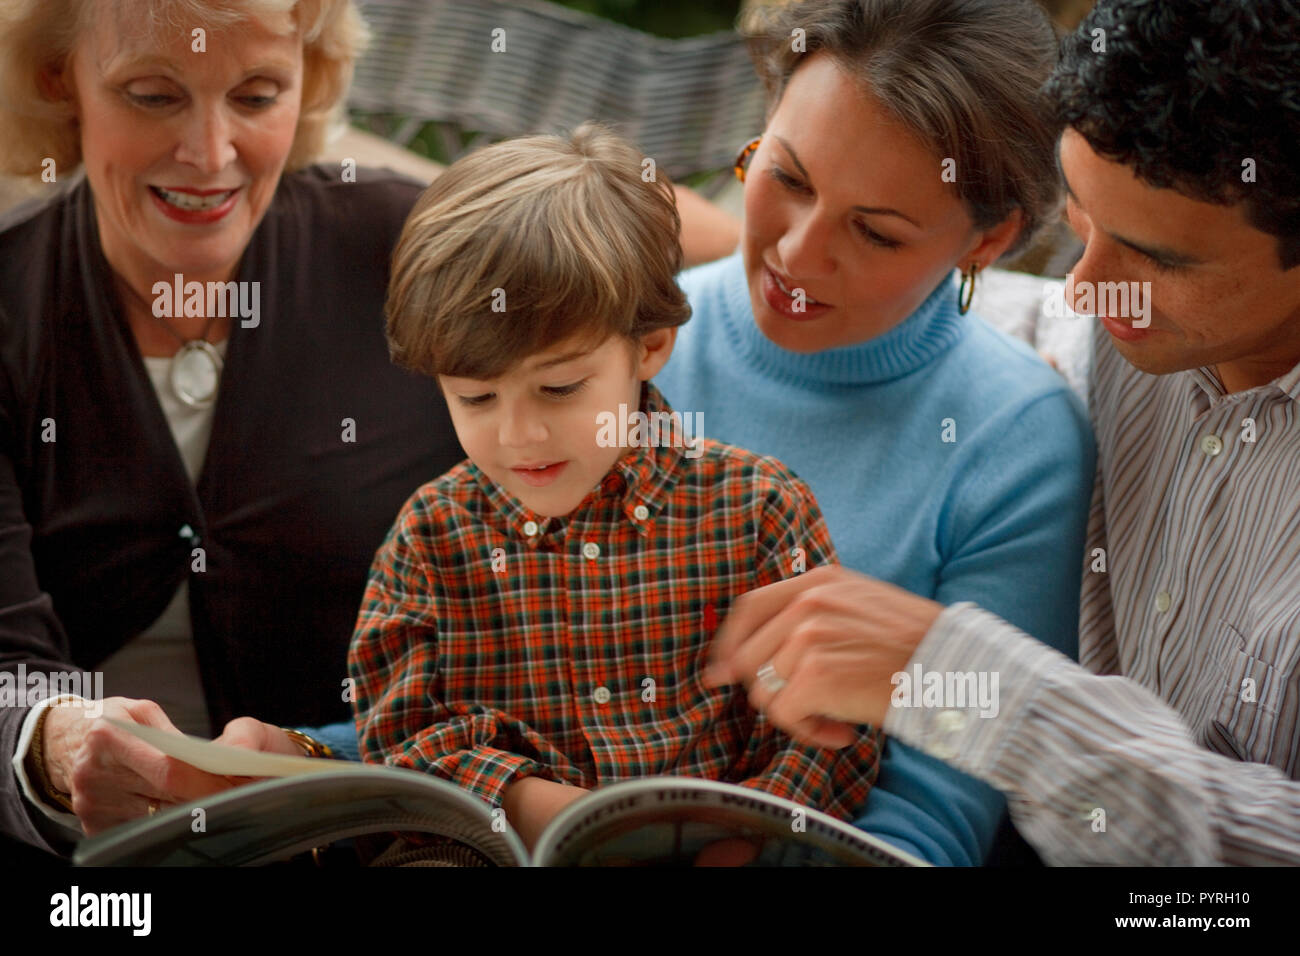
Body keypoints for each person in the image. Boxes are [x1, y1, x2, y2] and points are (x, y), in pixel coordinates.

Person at [0, 0, 738, 862]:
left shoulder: (406, 247)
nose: (209, 153)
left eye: (257, 94)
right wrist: (51, 745)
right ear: (62, 81)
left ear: (307, 85)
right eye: (154, 96)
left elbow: (728, 254)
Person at [705, 0, 1300, 865]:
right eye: (1085, 219)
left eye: (1159, 260)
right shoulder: (1107, 342)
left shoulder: (1032, 430)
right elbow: (968, 317)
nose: (1089, 291)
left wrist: (974, 686)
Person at [349, 124, 881, 863]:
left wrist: (741, 846)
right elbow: (396, 734)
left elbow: (831, 736)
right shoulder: (431, 536)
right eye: (475, 399)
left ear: (650, 345)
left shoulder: (758, 511)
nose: (520, 435)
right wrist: (534, 807)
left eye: (560, 388)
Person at [653, 0, 1095, 865]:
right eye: (787, 177)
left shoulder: (1017, 446)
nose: (800, 255)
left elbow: (931, 820)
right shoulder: (619, 347)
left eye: (876, 231)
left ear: (990, 239)